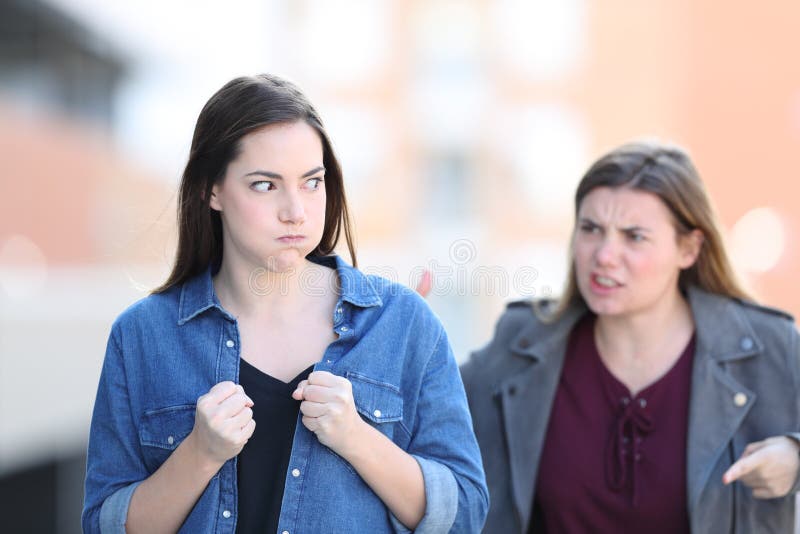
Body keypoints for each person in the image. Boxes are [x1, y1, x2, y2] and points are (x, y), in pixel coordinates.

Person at [82, 74, 488, 534]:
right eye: (265, 185)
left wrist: (357, 438)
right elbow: (104, 525)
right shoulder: (142, 337)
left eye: (312, 183)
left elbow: (466, 513)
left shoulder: (404, 324)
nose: (295, 210)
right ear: (210, 189)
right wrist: (198, 455)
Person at [461, 142, 800, 533]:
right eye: (591, 229)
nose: (605, 254)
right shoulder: (522, 342)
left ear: (689, 248)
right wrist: (396, 324)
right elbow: (426, 407)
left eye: (634, 236)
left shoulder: (769, 347)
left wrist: (796, 455)